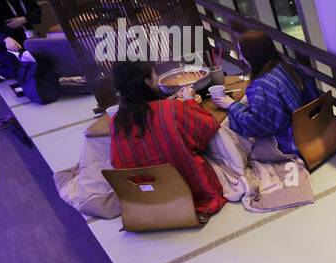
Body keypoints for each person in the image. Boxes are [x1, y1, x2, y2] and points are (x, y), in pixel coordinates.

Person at [110, 59, 226, 217]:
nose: (156, 77)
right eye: (154, 74)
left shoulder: (116, 121)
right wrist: (190, 102)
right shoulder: (170, 109)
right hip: (190, 190)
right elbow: (208, 126)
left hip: (145, 198)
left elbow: (116, 162)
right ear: (147, 81)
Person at [211, 30, 318, 155]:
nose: (240, 57)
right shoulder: (288, 65)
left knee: (242, 148)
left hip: (294, 140)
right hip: (313, 125)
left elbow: (256, 124)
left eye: (242, 52)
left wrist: (231, 105)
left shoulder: (261, 85)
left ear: (252, 55)